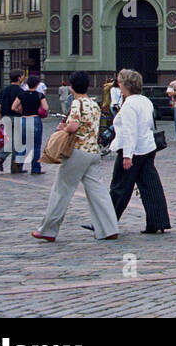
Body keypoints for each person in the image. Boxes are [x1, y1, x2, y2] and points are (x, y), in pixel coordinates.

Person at [31, 72, 119, 243]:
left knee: (61, 190)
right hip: (93, 151)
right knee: (98, 192)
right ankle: (109, 228)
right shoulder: (94, 104)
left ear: (71, 87)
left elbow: (73, 126)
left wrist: (62, 128)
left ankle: (48, 229)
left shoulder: (77, 103)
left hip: (77, 151)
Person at [106, 69, 171, 234]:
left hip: (132, 150)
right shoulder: (145, 101)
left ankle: (105, 222)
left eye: (119, 82)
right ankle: (158, 221)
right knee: (151, 187)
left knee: (119, 188)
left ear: (125, 85)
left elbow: (129, 132)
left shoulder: (129, 105)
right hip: (147, 148)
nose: (118, 84)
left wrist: (127, 156)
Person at [12, 76, 48, 176]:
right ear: (37, 84)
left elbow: (13, 107)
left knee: (23, 143)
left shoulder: (21, 94)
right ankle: (36, 168)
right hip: (35, 119)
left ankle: (18, 160)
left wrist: (21, 110)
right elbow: (46, 107)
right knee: (36, 145)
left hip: (24, 119)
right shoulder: (40, 95)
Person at [0, 71, 25, 173]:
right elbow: (19, 106)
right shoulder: (20, 91)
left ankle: (2, 157)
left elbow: (0, 105)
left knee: (12, 141)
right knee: (17, 142)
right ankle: (13, 165)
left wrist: (0, 117)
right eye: (22, 76)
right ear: (19, 78)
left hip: (6, 117)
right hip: (16, 117)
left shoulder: (4, 90)